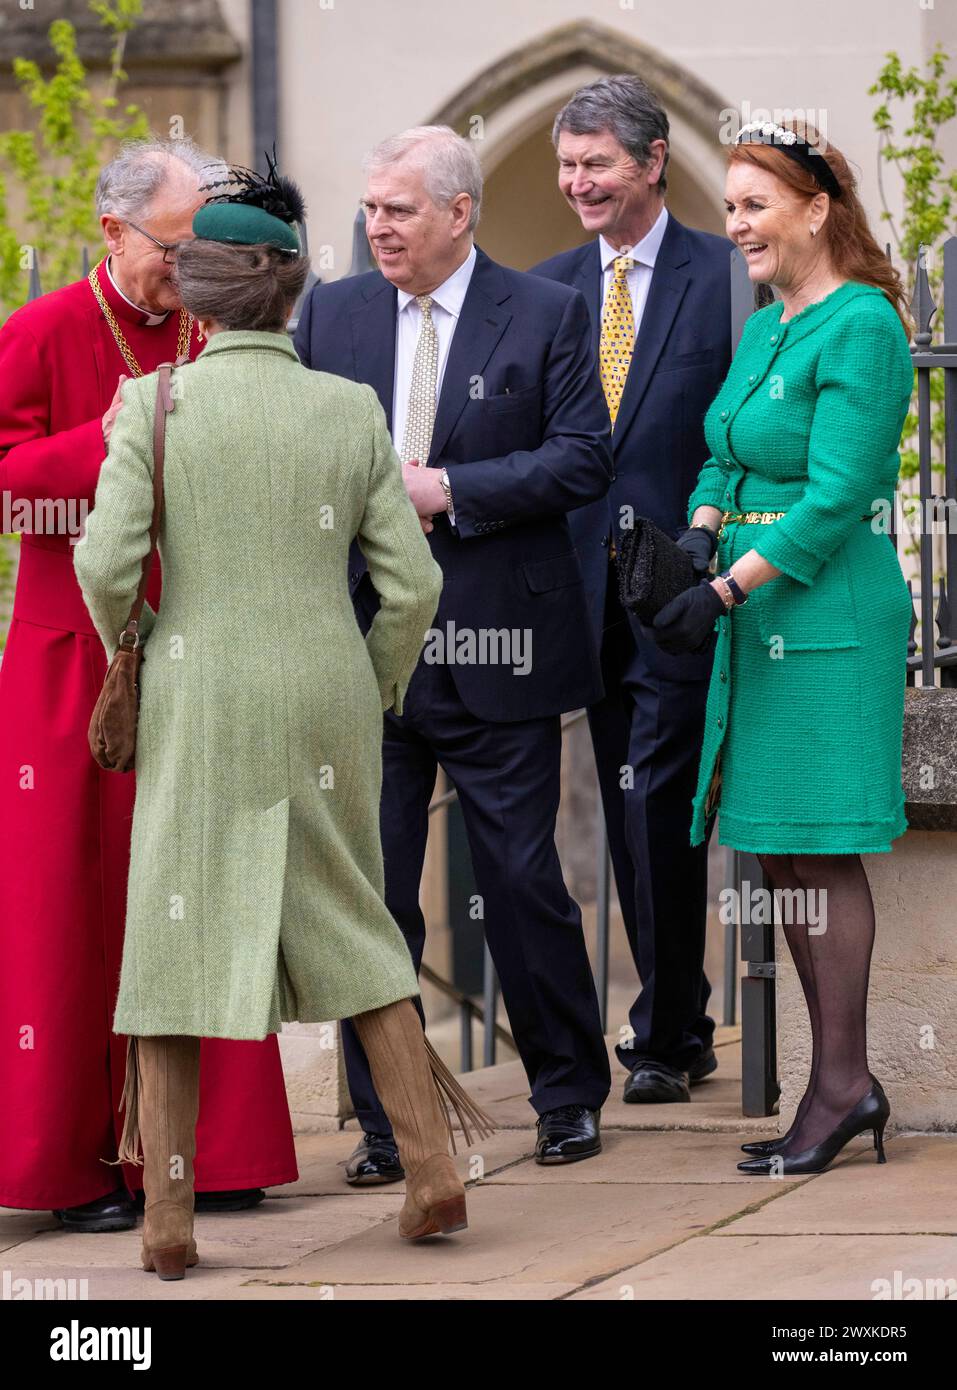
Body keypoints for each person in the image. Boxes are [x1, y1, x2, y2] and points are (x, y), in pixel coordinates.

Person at [74, 159, 488, 1279]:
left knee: (170, 945)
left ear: (196, 294)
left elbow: (106, 565)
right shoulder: (346, 407)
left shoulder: (149, 402)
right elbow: (415, 589)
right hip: (326, 695)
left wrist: (149, 640)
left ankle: (166, 1219)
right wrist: (373, 684)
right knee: (359, 926)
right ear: (293, 293)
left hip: (199, 689)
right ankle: (433, 1172)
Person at [295, 125, 614, 1179]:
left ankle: (567, 1093)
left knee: (522, 878)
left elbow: (580, 459)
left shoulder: (550, 313)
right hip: (359, 651)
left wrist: (451, 492)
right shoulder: (331, 312)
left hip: (503, 646)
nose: (375, 226)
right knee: (371, 896)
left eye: (397, 209)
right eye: (371, 207)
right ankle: (389, 1123)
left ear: (459, 212)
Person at [0, 138, 298, 1231]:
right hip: (69, 659)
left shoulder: (215, 325)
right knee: (72, 910)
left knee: (206, 894)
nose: (193, 267)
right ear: (113, 230)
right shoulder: (36, 334)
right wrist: (131, 430)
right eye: (177, 246)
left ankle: (214, 1151)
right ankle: (74, 1165)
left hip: (201, 639)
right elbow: (10, 477)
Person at [649, 119, 913, 1174]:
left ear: (817, 209)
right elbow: (722, 452)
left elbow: (843, 493)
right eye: (730, 209)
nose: (738, 226)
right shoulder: (766, 328)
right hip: (755, 614)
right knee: (774, 846)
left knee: (818, 842)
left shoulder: (863, 326)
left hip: (827, 616)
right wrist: (696, 538)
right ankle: (840, 1085)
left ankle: (841, 1086)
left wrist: (723, 587)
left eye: (756, 205)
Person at [532, 76, 732, 1104]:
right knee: (625, 801)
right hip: (577, 594)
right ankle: (677, 1014)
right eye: (569, 166)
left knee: (659, 793)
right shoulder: (547, 288)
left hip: (686, 587)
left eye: (598, 163)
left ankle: (667, 1030)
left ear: (652, 162)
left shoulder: (727, 279)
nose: (579, 184)